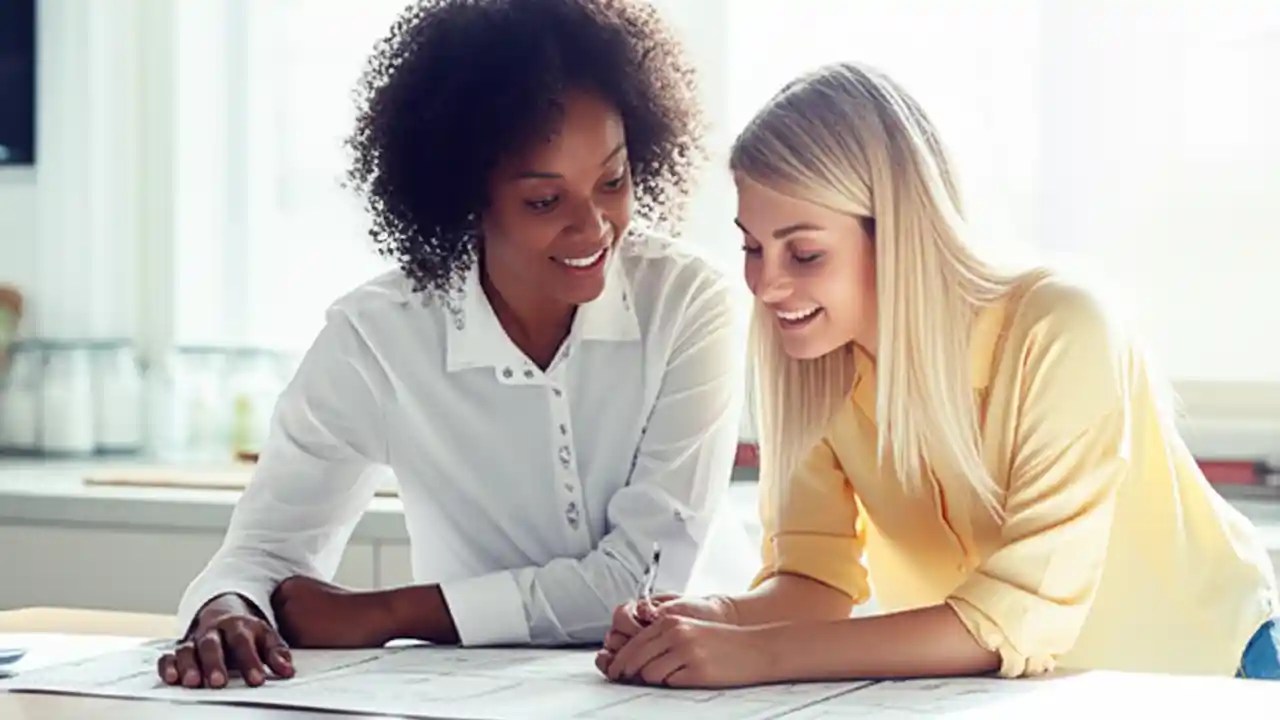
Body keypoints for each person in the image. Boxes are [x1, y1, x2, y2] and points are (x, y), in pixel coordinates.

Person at [598, 61, 1280, 688]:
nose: (767, 284)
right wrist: (707, 619)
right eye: (752, 246)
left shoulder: (1062, 328)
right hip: (1033, 694)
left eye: (803, 253)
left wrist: (760, 654)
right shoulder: (808, 361)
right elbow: (814, 580)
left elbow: (1021, 613)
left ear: (894, 233)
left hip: (1211, 672)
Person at [157, 0, 750, 691]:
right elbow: (265, 548)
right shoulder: (378, 337)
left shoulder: (688, 303)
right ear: (466, 196)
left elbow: (640, 582)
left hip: (697, 689)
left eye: (612, 182)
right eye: (542, 201)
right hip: (477, 697)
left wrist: (387, 612)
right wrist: (227, 608)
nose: (594, 228)